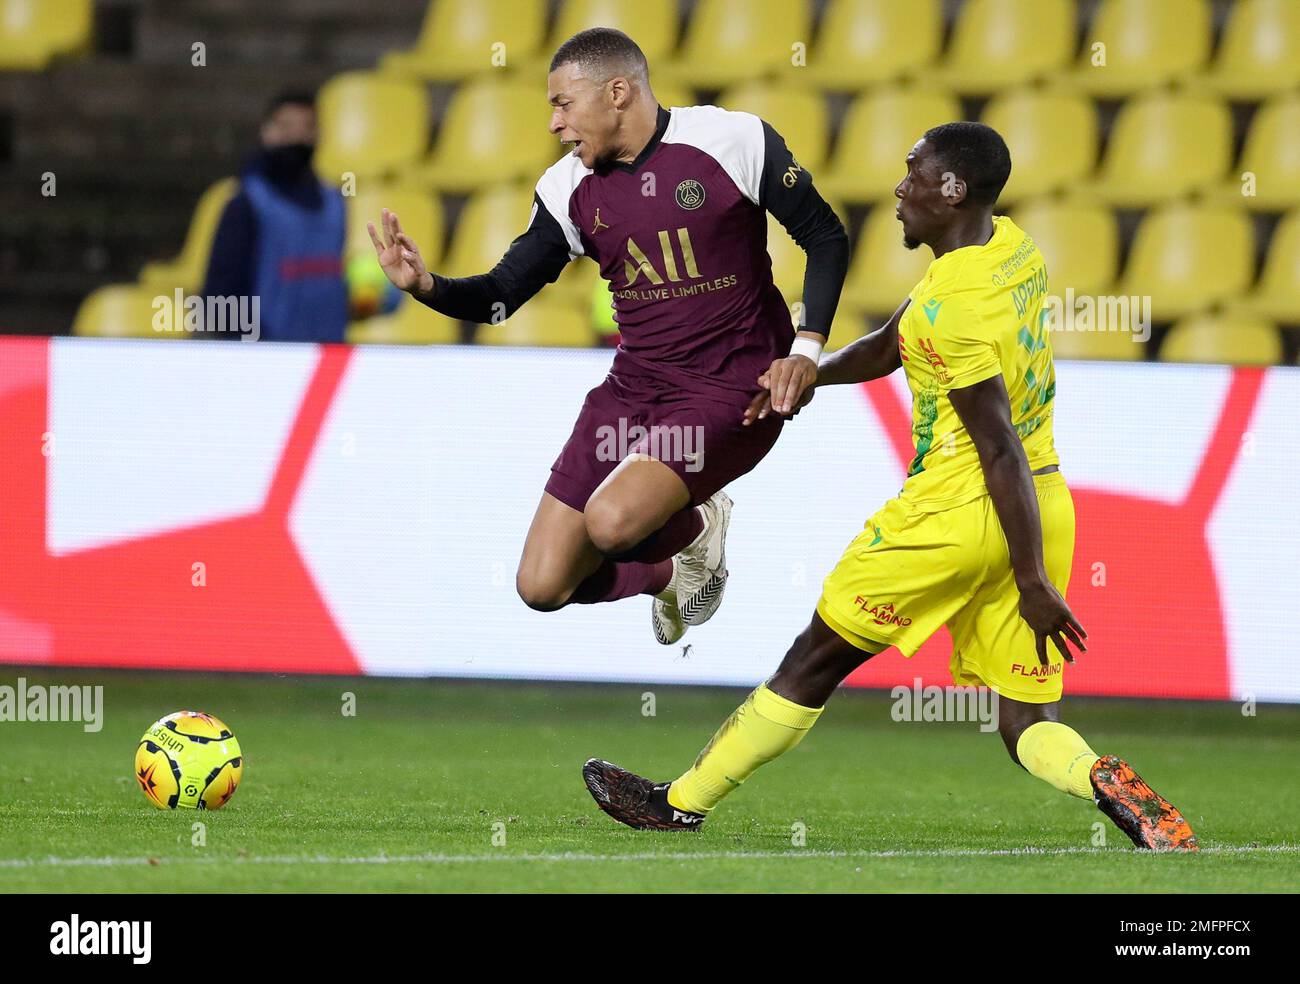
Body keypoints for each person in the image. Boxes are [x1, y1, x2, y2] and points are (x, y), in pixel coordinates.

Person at [583, 122, 1198, 852]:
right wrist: (807, 372)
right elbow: (890, 345)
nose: (898, 189)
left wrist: (1032, 579)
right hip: (1041, 502)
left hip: (953, 517)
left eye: (913, 174)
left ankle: (679, 803)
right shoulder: (1010, 251)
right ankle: (1107, 783)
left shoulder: (952, 310)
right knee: (1027, 721)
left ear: (952, 190)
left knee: (814, 659)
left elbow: (994, 443)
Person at [369, 28, 848, 644]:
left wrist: (806, 351)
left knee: (611, 523)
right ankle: (673, 569)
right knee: (542, 586)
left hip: (732, 385)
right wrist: (428, 286)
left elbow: (825, 236)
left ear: (618, 92)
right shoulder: (567, 188)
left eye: (563, 104)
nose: (554, 124)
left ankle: (698, 523)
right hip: (633, 389)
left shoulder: (732, 140)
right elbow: (501, 296)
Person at [203, 90, 348, 342]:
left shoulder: (336, 204)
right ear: (266, 132)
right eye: (285, 127)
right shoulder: (245, 205)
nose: (297, 136)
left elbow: (335, 286)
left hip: (328, 361)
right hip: (267, 363)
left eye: (307, 127)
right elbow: (219, 300)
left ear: (318, 134)